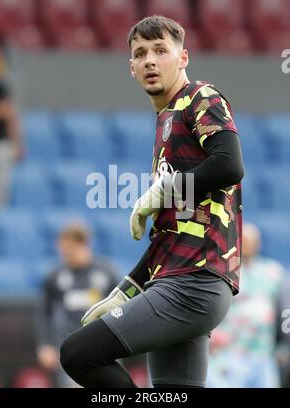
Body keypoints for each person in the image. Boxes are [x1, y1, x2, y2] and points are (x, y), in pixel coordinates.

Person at [60, 15, 244, 388]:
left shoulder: (200, 96)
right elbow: (170, 233)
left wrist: (166, 188)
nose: (149, 60)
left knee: (78, 354)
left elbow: (229, 165)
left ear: (183, 58)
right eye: (140, 53)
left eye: (160, 50)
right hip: (175, 279)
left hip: (194, 282)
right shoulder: (165, 122)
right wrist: (127, 289)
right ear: (131, 67)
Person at [36, 223, 119, 387]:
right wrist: (45, 344)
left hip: (104, 349)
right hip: (71, 349)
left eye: (69, 250)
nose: (65, 255)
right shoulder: (55, 276)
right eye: (63, 251)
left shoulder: (106, 273)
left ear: (83, 244)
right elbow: (44, 313)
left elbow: (122, 308)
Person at [207, 223, 285, 388]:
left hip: (264, 353)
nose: (249, 245)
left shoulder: (273, 272)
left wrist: (283, 345)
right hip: (231, 352)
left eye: (253, 240)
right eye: (245, 240)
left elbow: (283, 308)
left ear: (259, 243)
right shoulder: (222, 271)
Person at [0, 41, 24, 205]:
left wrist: (17, 144)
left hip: (2, 144)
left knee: (1, 192)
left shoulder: (1, 89)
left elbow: (11, 117)